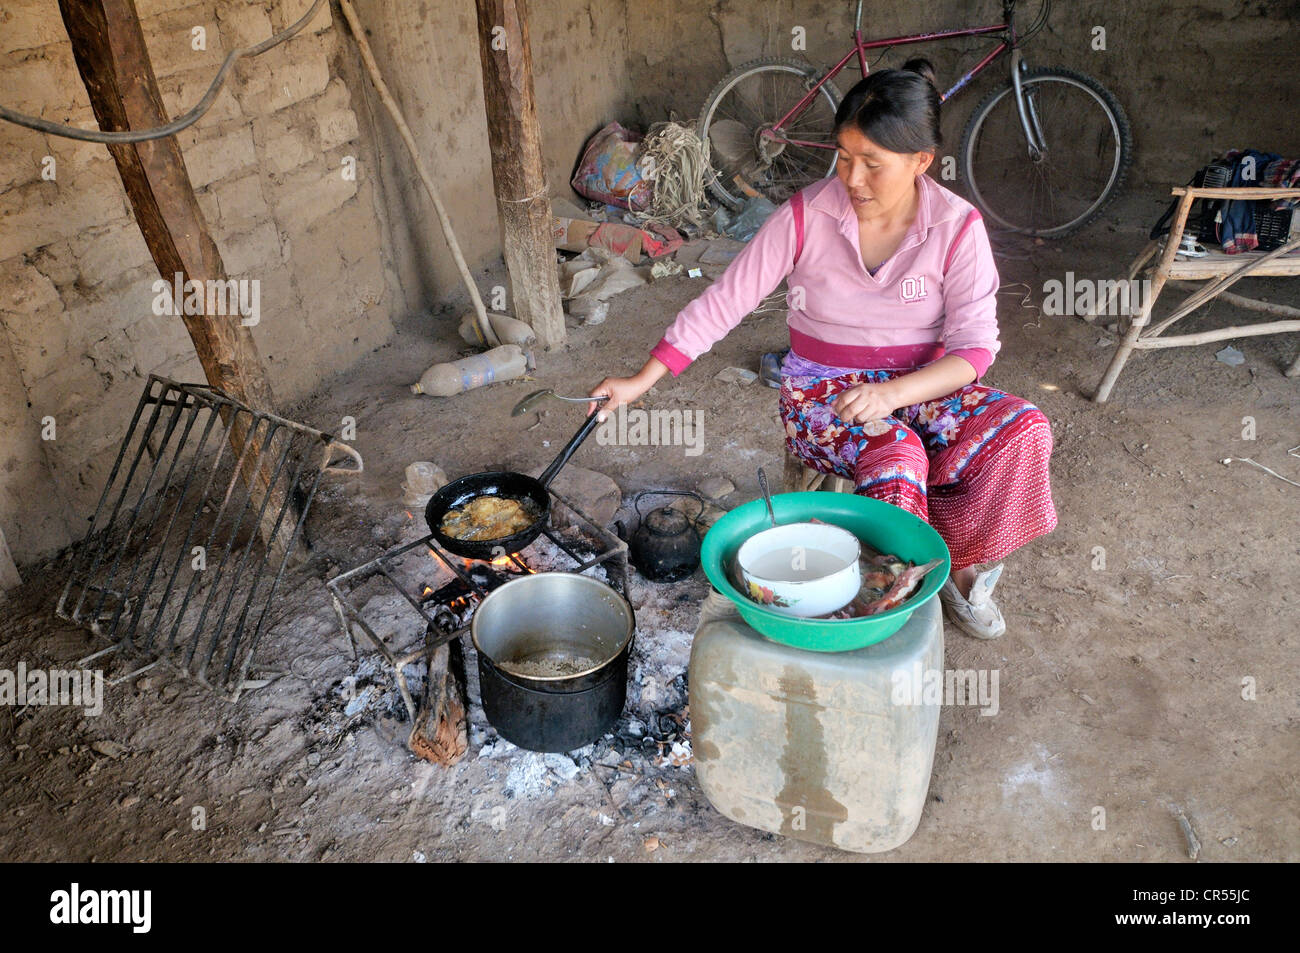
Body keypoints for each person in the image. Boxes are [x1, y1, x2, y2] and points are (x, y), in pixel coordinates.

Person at [589, 59, 1056, 639]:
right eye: (843, 155)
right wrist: (641, 379)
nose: (852, 178)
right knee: (898, 455)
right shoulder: (806, 216)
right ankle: (889, 607)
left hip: (923, 384)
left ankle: (955, 568)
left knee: (1022, 429)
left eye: (872, 164)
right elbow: (724, 303)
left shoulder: (956, 227)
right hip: (823, 393)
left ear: (921, 162)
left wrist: (892, 393)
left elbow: (974, 349)